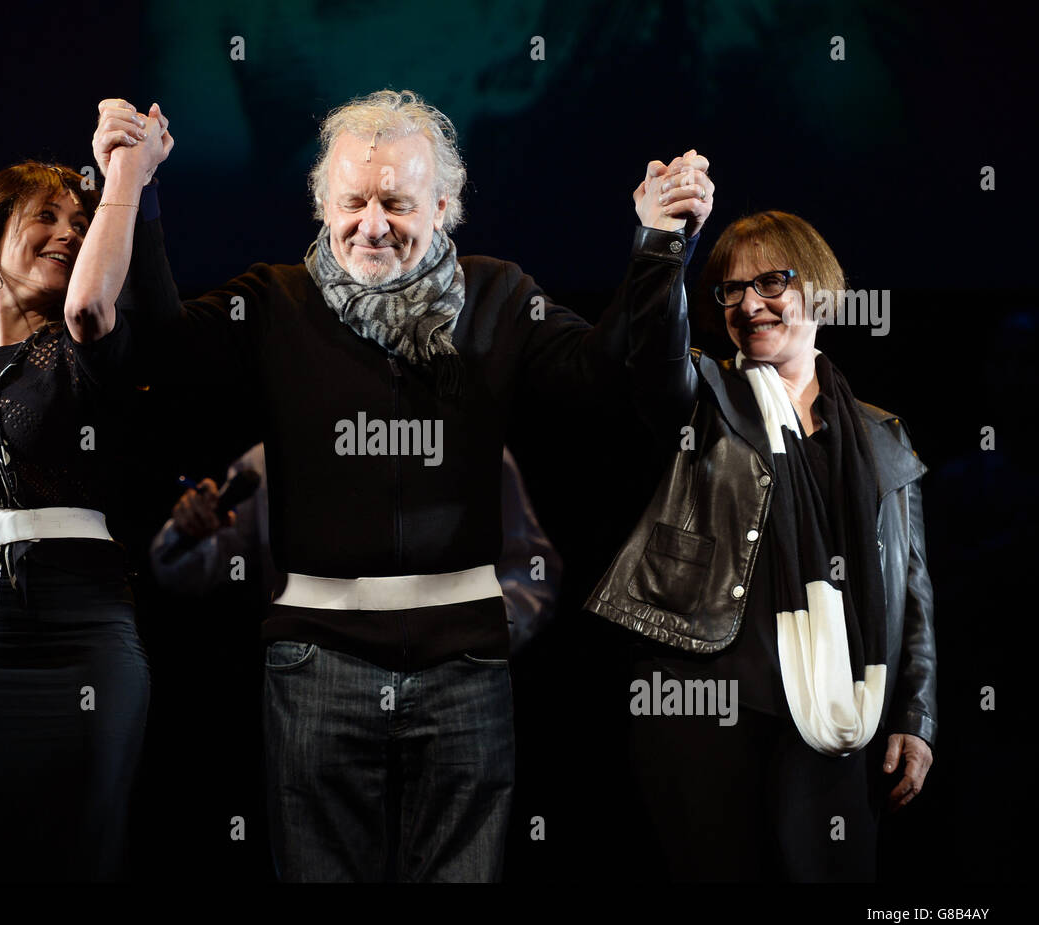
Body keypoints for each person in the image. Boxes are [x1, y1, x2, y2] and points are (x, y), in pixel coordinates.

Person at [94, 89, 710, 881]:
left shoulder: (498, 294)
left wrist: (656, 245)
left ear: (445, 206)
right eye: (353, 201)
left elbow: (603, 379)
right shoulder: (273, 299)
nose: (373, 224)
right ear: (323, 203)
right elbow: (161, 355)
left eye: (397, 201)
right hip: (315, 666)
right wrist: (133, 190)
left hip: (466, 667)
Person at [585, 197, 937, 881]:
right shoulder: (705, 396)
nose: (749, 305)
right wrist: (662, 239)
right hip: (708, 706)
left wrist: (917, 718)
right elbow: (653, 345)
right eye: (731, 291)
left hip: (841, 715)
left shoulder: (882, 435)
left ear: (818, 288)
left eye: (771, 282)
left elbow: (914, 598)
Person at [0, 108, 173, 881]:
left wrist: (128, 168)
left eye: (80, 223)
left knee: (73, 852)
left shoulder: (89, 348)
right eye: (45, 216)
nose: (68, 232)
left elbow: (88, 302)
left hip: (78, 628)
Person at [150, 444, 562, 654]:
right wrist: (191, 531)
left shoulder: (471, 450)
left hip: (446, 687)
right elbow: (181, 572)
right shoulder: (267, 461)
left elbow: (529, 567)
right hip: (313, 684)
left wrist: (482, 636)